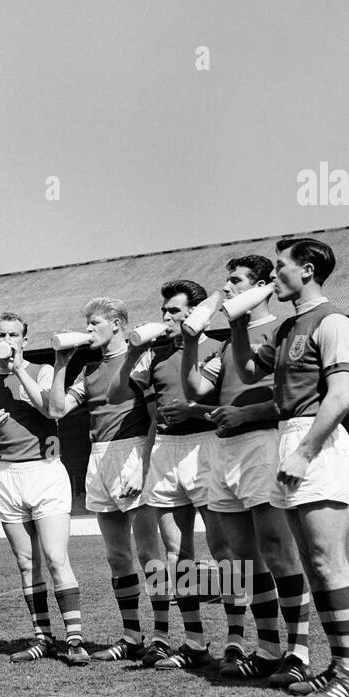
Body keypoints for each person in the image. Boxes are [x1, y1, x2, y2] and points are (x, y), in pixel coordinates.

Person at [231, 238, 349, 697]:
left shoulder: (334, 321)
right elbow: (249, 370)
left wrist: (304, 453)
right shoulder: (289, 325)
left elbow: (341, 397)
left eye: (280, 268)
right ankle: (337, 665)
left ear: (307, 270)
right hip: (290, 437)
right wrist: (236, 322)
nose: (274, 277)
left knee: (328, 560)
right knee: (311, 564)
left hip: (316, 442)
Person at [182, 255, 312, 685]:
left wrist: (245, 414)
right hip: (225, 450)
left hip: (262, 444)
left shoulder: (281, 330)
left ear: (259, 286)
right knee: (245, 559)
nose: (228, 287)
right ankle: (268, 648)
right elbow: (198, 388)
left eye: (236, 280)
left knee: (278, 553)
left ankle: (300, 652)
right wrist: (189, 341)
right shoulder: (224, 343)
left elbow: (294, 398)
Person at [109, 280, 226, 671]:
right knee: (175, 555)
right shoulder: (154, 356)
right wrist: (131, 353)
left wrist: (195, 411)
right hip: (165, 451)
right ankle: (192, 642)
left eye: (175, 311)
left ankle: (241, 642)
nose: (166, 317)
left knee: (226, 551)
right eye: (164, 311)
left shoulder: (220, 347)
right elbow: (116, 394)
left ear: (195, 313)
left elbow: (236, 407)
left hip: (208, 446)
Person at [49, 298, 163, 664]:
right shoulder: (88, 370)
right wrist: (60, 364)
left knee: (149, 553)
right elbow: (56, 409)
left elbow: (155, 419)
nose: (87, 330)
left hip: (134, 452)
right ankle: (132, 637)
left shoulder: (141, 359)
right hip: (100, 457)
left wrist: (145, 468)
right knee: (117, 555)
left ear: (116, 324)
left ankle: (161, 636)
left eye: (94, 323)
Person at [0, 313, 87, 665]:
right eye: (1, 334)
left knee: (55, 558)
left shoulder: (41, 370)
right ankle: (43, 638)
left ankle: (75, 639)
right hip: (8, 476)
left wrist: (18, 367)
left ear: (25, 339)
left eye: (14, 334)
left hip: (46, 470)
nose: (7, 338)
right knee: (27, 563)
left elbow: (52, 408)